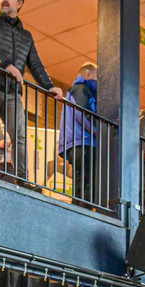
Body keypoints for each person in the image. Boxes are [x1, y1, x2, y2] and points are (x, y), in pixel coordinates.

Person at [0, 0, 64, 180]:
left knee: (20, 136)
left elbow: (36, 64)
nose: (4, 0)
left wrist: (50, 86)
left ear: (19, 4)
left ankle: (22, 179)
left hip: (12, 92)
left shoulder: (26, 36)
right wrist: (8, 65)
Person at [59, 63, 99, 205]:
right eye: (97, 76)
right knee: (89, 182)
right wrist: (99, 132)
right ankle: (84, 210)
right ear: (87, 74)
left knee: (82, 180)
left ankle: (79, 209)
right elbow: (83, 114)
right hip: (84, 141)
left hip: (76, 142)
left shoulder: (76, 90)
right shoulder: (81, 89)